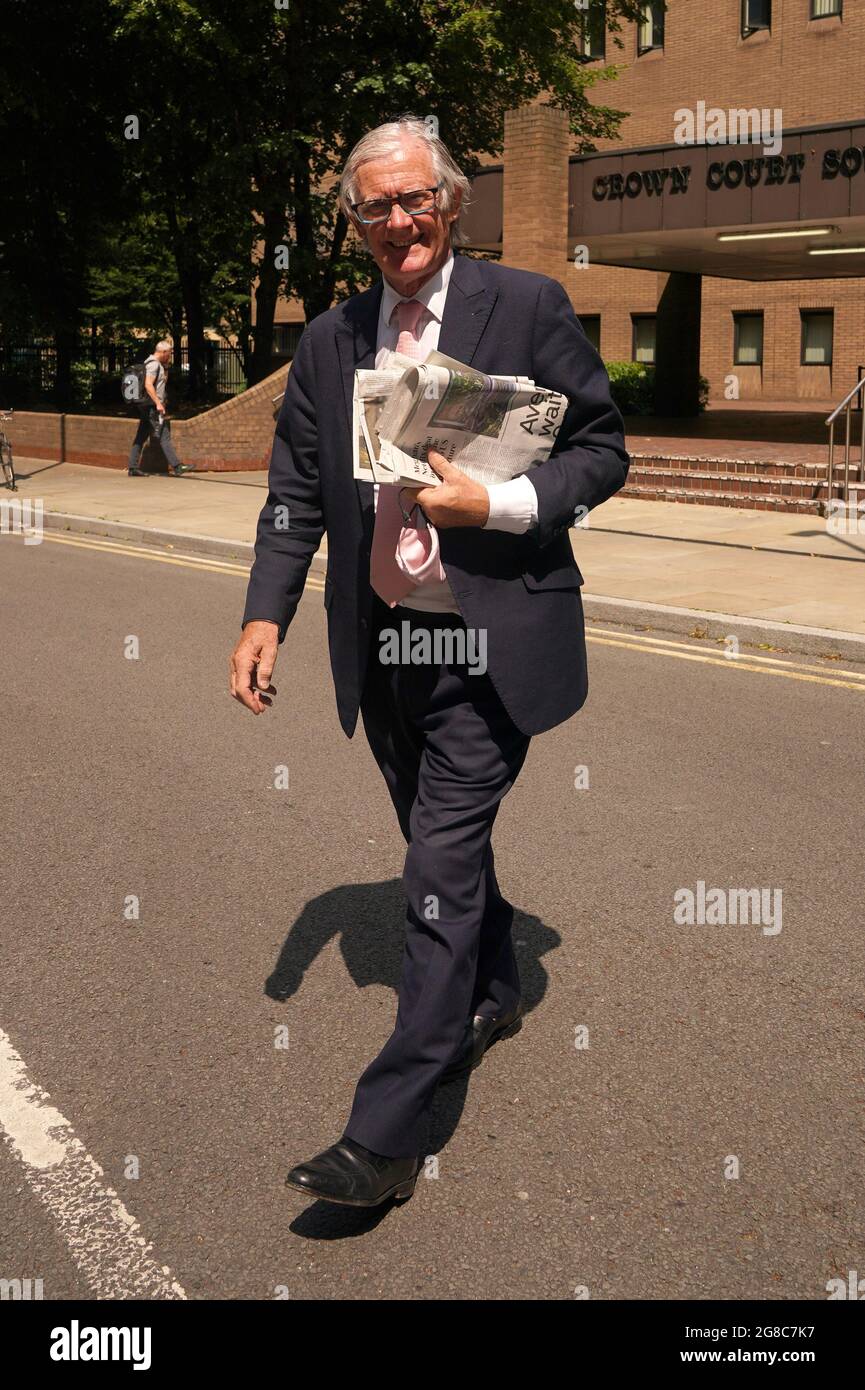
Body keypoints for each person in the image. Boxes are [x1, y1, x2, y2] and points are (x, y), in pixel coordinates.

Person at [230, 115, 630, 1208]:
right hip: (390, 639)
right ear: (352, 221)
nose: (398, 221)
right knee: (431, 843)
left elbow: (603, 449)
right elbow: (295, 493)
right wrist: (265, 615)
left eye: (415, 199)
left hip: (493, 636)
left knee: (436, 865)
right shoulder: (329, 340)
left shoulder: (529, 306)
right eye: (374, 206)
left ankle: (386, 1132)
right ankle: (494, 983)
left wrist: (498, 501)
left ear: (452, 203)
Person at [127, 341, 192, 476]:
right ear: (163, 352)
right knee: (164, 435)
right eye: (169, 353)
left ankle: (132, 468)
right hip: (152, 406)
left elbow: (162, 382)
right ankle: (177, 466)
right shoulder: (153, 365)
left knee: (141, 436)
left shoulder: (158, 365)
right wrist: (158, 403)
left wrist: (166, 367)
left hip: (148, 406)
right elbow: (148, 385)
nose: (170, 356)